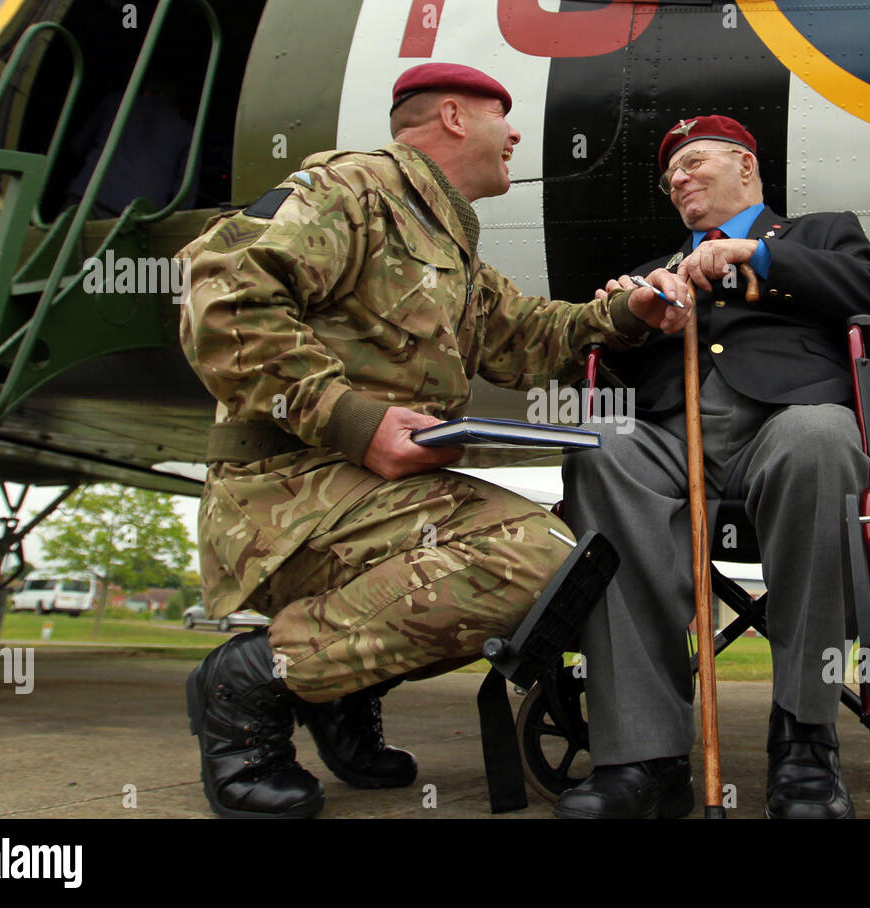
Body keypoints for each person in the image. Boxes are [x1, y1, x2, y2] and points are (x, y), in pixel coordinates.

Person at [176, 63, 689, 819]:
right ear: (453, 117)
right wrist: (354, 419)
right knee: (532, 559)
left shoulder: (448, 244)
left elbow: (532, 338)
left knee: (560, 575)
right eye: (501, 116)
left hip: (370, 498)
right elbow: (218, 293)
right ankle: (256, 682)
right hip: (289, 493)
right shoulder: (352, 190)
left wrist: (629, 315)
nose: (515, 133)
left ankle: (341, 688)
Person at [556, 115, 870, 819]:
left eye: (694, 162)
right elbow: (588, 369)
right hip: (670, 437)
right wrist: (624, 318)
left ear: (745, 166)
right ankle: (642, 759)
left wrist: (760, 257)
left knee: (820, 437)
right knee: (599, 444)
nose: (677, 179)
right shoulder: (652, 267)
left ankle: (805, 740)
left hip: (784, 422)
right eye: (670, 175)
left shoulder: (819, 233)